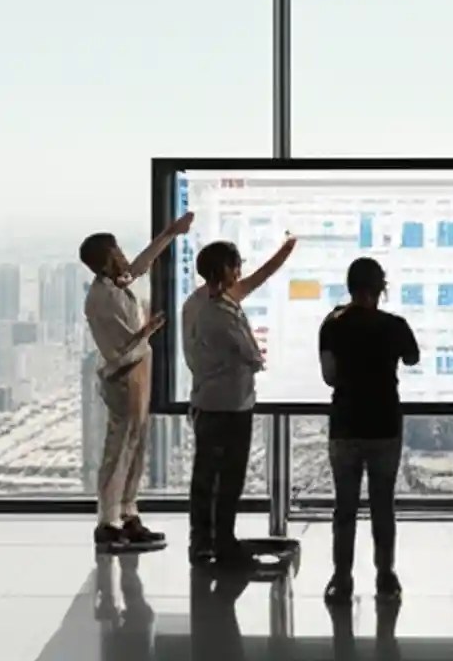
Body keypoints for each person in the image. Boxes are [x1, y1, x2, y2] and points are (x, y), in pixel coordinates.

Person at [81, 211, 194, 552]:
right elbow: (119, 346)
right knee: (119, 449)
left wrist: (171, 232)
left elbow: (143, 263)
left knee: (136, 447)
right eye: (116, 250)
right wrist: (147, 331)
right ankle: (108, 520)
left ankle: (128, 513)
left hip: (137, 372)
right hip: (125, 376)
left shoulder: (115, 285)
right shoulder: (101, 296)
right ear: (106, 258)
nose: (123, 255)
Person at [183, 233, 297, 567]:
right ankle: (224, 544)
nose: (241, 272)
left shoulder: (197, 301)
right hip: (229, 407)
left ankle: (203, 542)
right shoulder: (219, 313)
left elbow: (258, 278)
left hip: (206, 402)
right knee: (228, 479)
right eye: (237, 266)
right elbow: (250, 355)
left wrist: (284, 250)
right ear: (227, 270)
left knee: (205, 478)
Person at [317, 258, 419, 604]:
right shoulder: (394, 325)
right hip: (385, 423)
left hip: (345, 424)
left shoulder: (332, 325)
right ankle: (386, 576)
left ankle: (342, 578)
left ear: (349, 287)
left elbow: (329, 376)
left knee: (344, 507)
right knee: (382, 505)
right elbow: (412, 358)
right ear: (381, 288)